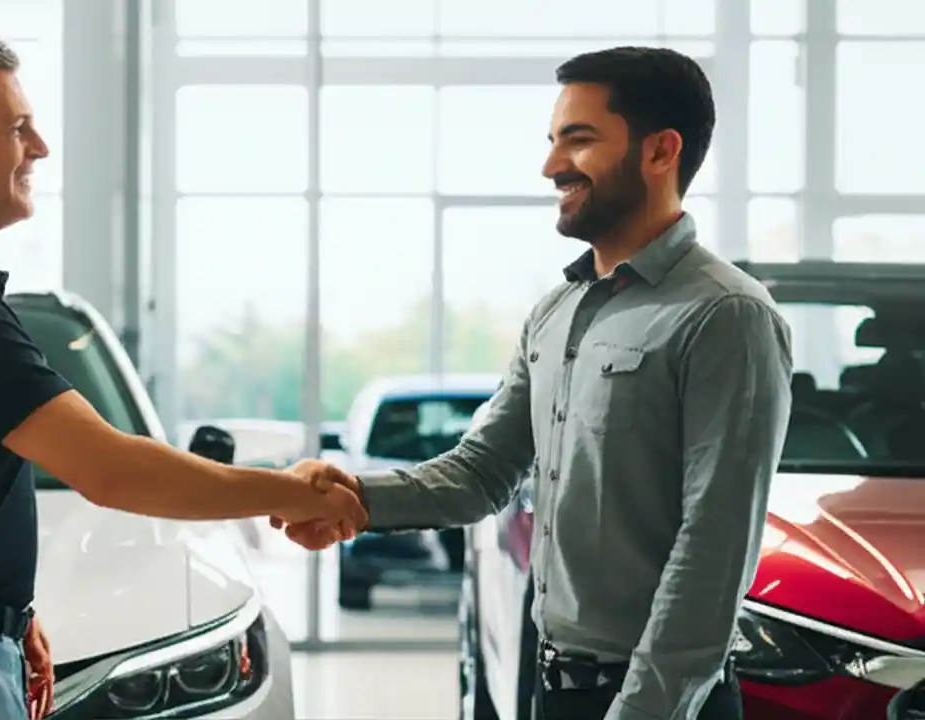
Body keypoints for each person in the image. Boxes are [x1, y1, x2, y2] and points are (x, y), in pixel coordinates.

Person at [0, 33, 364, 720]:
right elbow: (111, 469)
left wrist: (5, 615)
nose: (40, 148)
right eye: (18, 128)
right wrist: (291, 493)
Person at [280, 46, 793, 720]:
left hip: (653, 701)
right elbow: (479, 474)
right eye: (553, 142)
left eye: (578, 140)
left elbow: (714, 551)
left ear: (660, 151)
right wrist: (352, 497)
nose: (551, 166)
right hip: (554, 687)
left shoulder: (726, 315)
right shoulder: (556, 314)